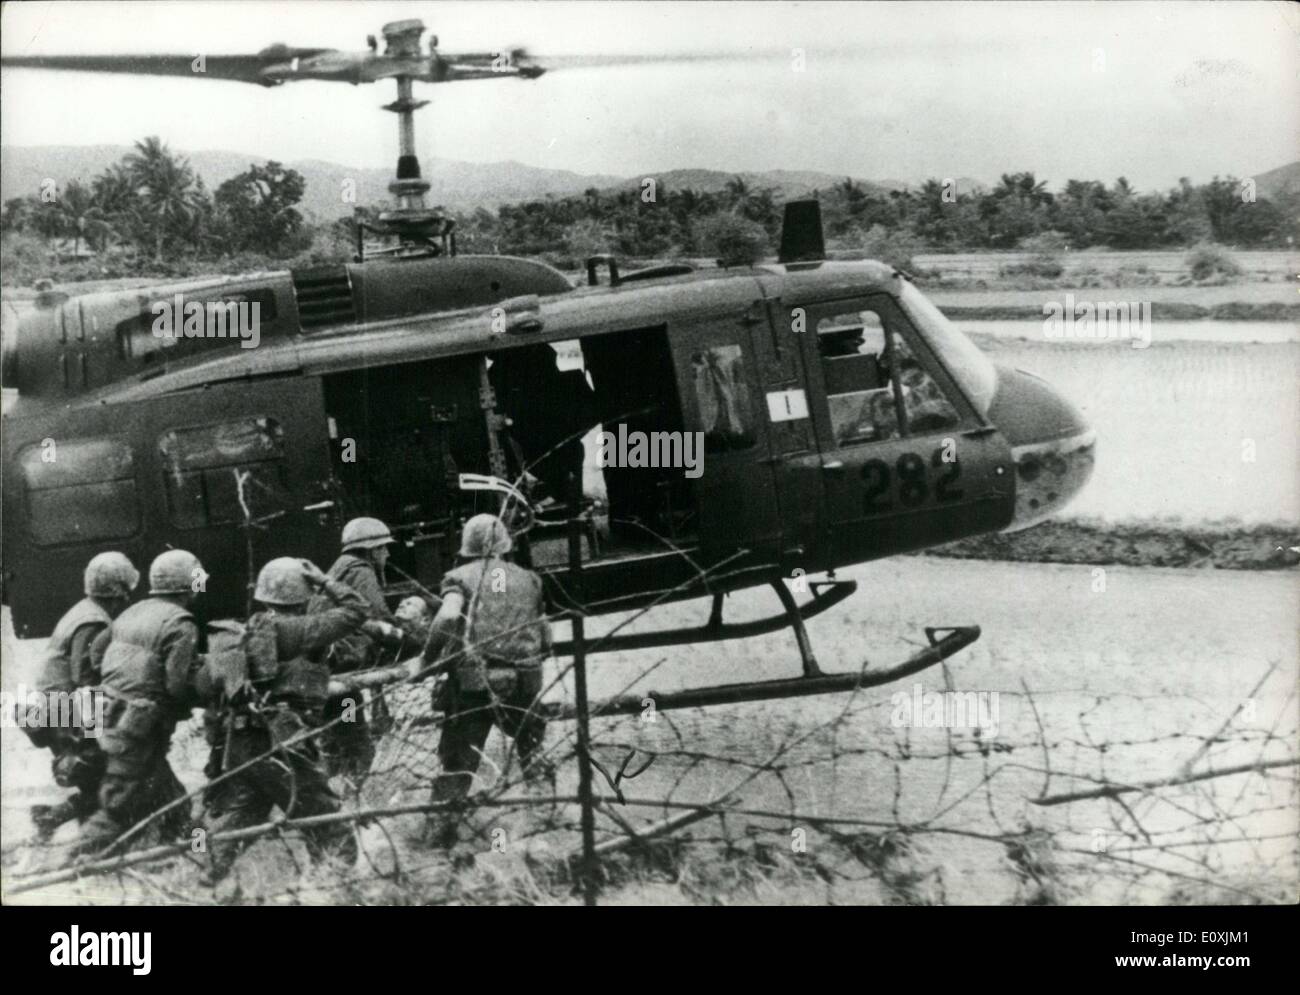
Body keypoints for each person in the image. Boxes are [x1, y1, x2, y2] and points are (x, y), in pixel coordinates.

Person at [201, 557, 368, 880]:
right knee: (329, 823)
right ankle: (334, 890)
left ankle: (205, 882)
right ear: (303, 597)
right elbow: (356, 611)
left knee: (240, 818)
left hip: (241, 743)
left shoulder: (246, 633)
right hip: (281, 745)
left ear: (263, 596)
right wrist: (324, 580)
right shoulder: (299, 629)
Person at [422, 513, 554, 848]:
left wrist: (428, 658)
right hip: (524, 682)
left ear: (468, 546)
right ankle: (546, 823)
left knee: (458, 763)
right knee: (533, 752)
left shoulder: (458, 578)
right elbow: (544, 631)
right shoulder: (530, 579)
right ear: (504, 544)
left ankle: (437, 838)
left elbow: (449, 615)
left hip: (475, 686)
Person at [76, 549, 206, 853]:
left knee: (170, 796)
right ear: (189, 584)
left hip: (110, 713)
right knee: (117, 804)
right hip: (137, 726)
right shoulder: (181, 623)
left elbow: (97, 654)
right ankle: (68, 863)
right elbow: (176, 687)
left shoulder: (133, 611)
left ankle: (181, 854)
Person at [23, 552, 139, 840]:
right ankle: (83, 838)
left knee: (96, 779)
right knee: (106, 777)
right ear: (117, 590)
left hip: (52, 707)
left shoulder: (82, 610)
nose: (126, 599)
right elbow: (85, 678)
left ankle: (58, 822)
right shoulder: (95, 622)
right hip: (64, 710)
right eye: (124, 591)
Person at [309, 517, 402, 781]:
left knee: (334, 742)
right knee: (356, 743)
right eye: (383, 548)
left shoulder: (338, 570)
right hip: (341, 681)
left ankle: (335, 793)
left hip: (324, 673)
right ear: (372, 551)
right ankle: (353, 805)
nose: (387, 553)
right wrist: (406, 636)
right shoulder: (361, 571)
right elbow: (378, 615)